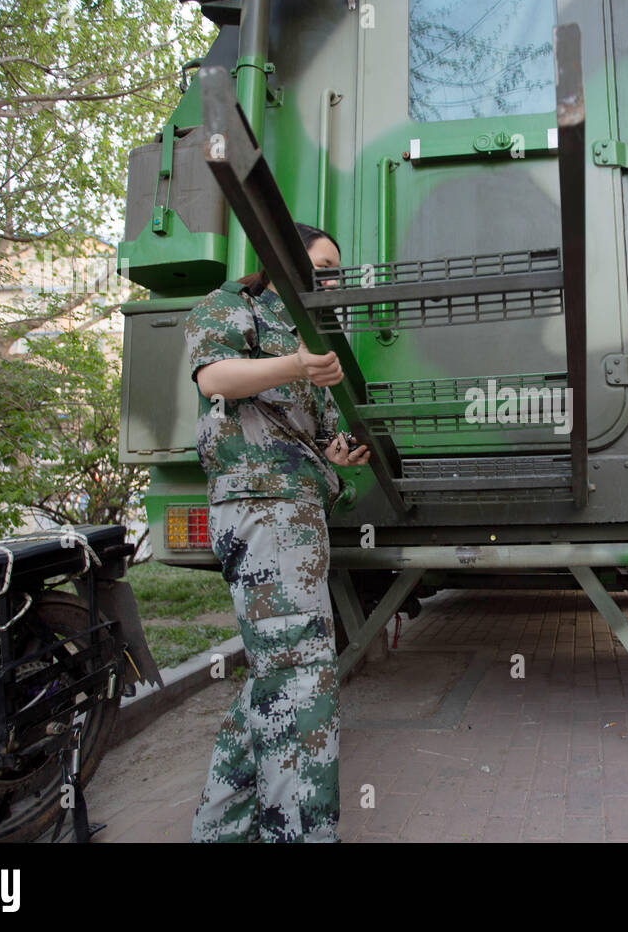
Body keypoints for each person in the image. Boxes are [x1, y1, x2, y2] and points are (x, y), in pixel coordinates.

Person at [183, 222, 369, 843]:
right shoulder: (235, 306)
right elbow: (215, 379)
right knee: (301, 671)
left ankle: (219, 829)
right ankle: (301, 832)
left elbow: (306, 437)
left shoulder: (307, 338)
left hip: (296, 508)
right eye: (321, 263)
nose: (331, 277)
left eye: (336, 268)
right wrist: (293, 364)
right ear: (282, 263)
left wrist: (336, 453)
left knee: (279, 668)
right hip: (262, 506)